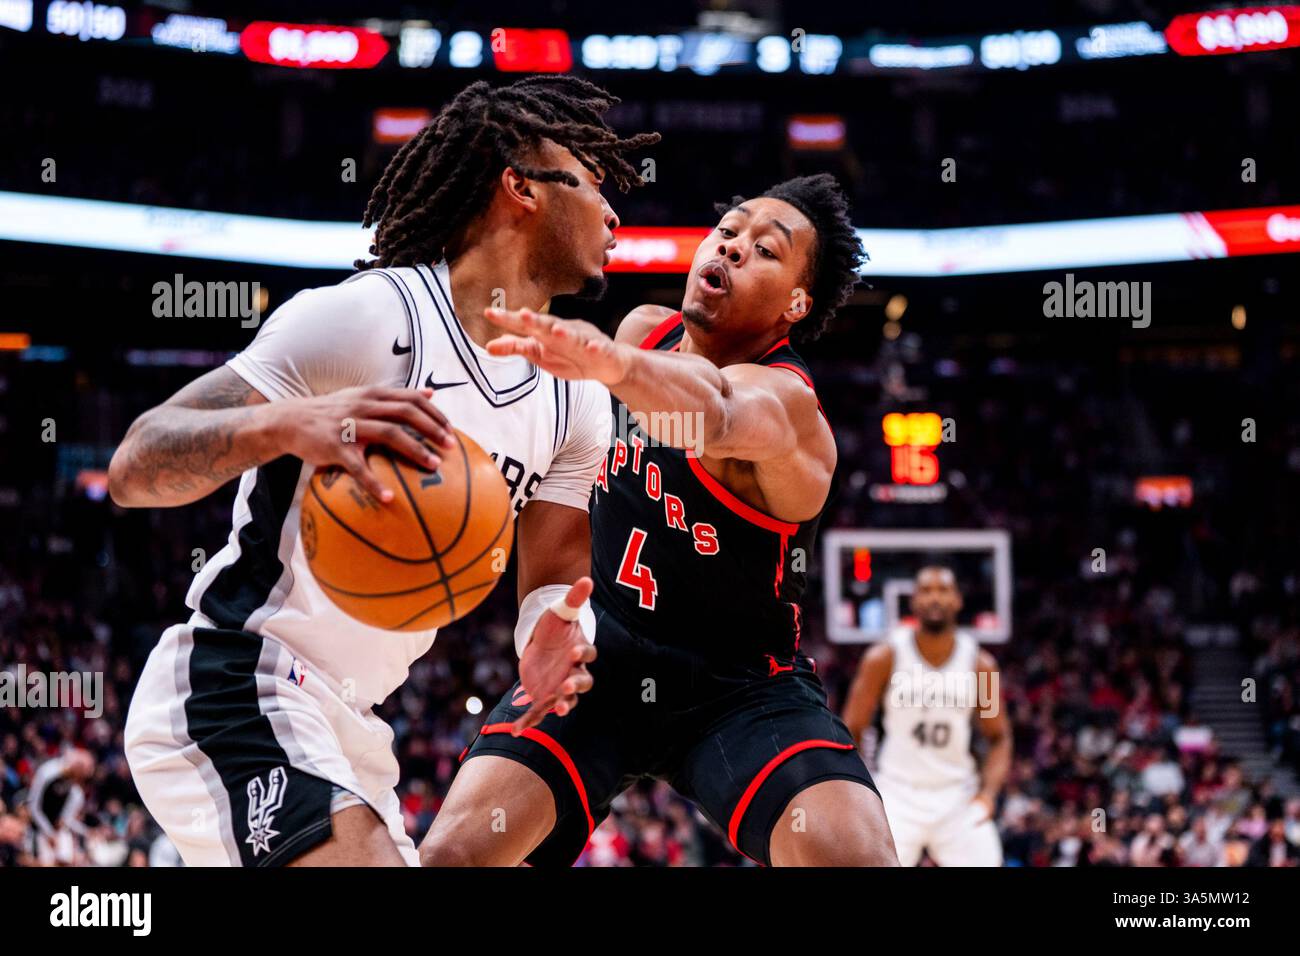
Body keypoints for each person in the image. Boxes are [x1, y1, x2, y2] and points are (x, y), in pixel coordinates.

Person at [112, 76, 657, 866]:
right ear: (521, 187)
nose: (614, 215)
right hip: (237, 680)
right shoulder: (369, 320)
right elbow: (135, 465)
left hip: (354, 721)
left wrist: (545, 635)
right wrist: (290, 422)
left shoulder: (577, 400)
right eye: (593, 184)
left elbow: (557, 569)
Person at [422, 174, 898, 867]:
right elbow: (573, 493)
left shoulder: (790, 406)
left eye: (765, 250)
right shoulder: (645, 331)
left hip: (742, 688)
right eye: (728, 232)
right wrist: (552, 615)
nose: (732, 249)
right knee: (452, 855)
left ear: (798, 302)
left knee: (860, 860)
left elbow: (718, 414)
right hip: (604, 660)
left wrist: (612, 366)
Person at [842, 566, 1011, 866]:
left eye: (943, 590)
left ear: (958, 600)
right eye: (927, 590)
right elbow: (852, 727)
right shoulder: (884, 658)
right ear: (914, 601)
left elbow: (998, 738)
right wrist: (863, 793)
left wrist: (987, 796)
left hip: (958, 796)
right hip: (896, 792)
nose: (935, 598)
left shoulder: (980, 666)